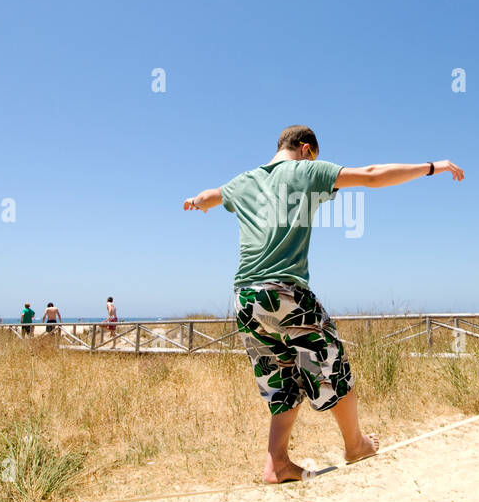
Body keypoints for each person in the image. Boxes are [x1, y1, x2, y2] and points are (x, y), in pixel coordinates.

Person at [184, 125, 464, 483]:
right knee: (333, 363)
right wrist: (432, 166)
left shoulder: (244, 182)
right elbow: (373, 176)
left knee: (281, 379)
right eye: (313, 155)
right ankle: (355, 445)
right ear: (304, 149)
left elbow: (212, 195)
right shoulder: (307, 170)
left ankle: (277, 464)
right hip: (284, 291)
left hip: (245, 297)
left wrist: (196, 201)